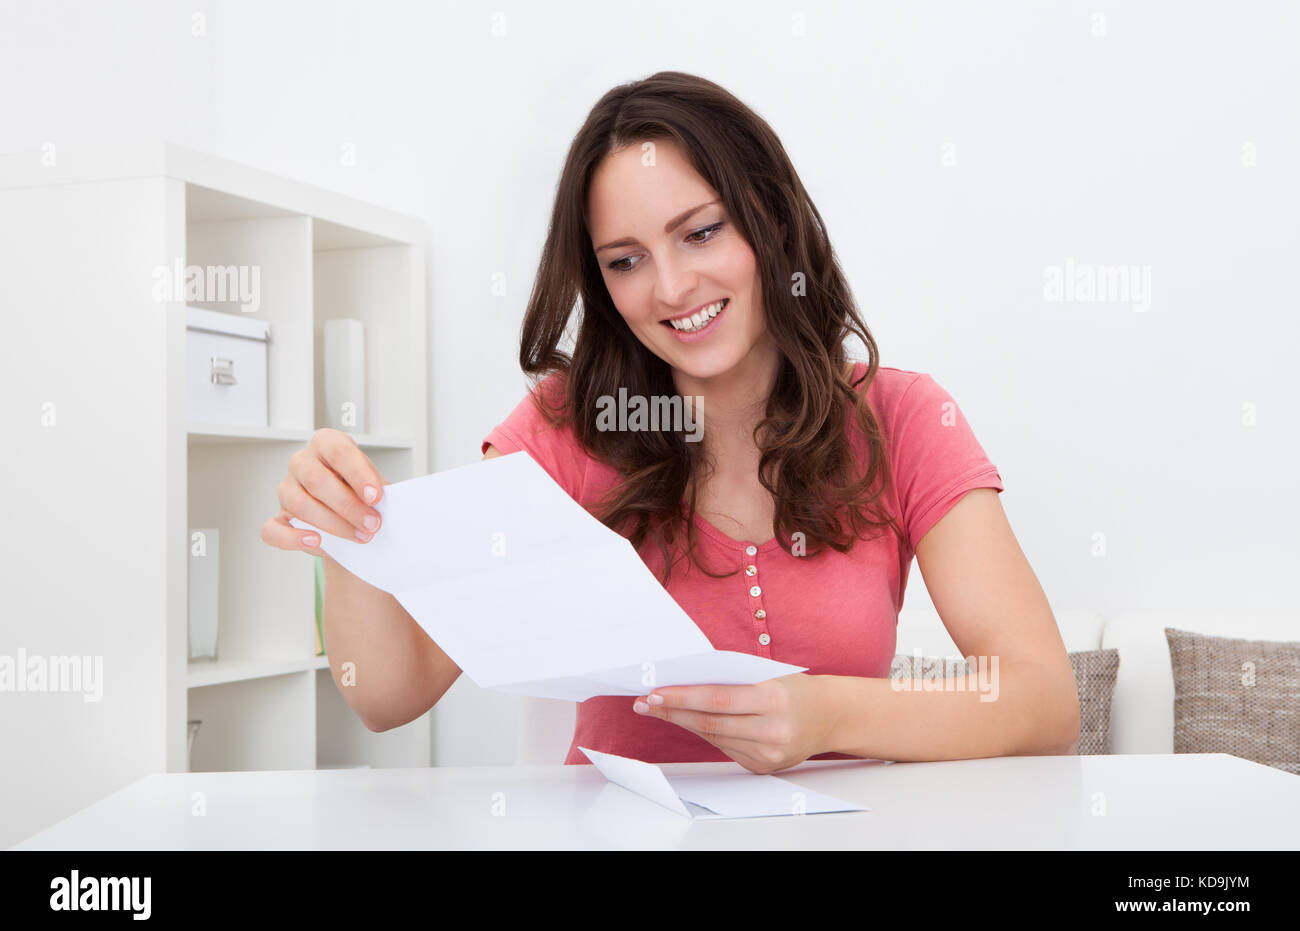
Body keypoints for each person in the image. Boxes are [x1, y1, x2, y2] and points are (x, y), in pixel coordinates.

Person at [262, 71, 1079, 774]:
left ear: (773, 220)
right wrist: (347, 533)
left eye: (700, 232)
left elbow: (1045, 700)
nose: (672, 287)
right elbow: (389, 696)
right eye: (626, 260)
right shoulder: (566, 428)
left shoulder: (901, 418)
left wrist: (829, 715)